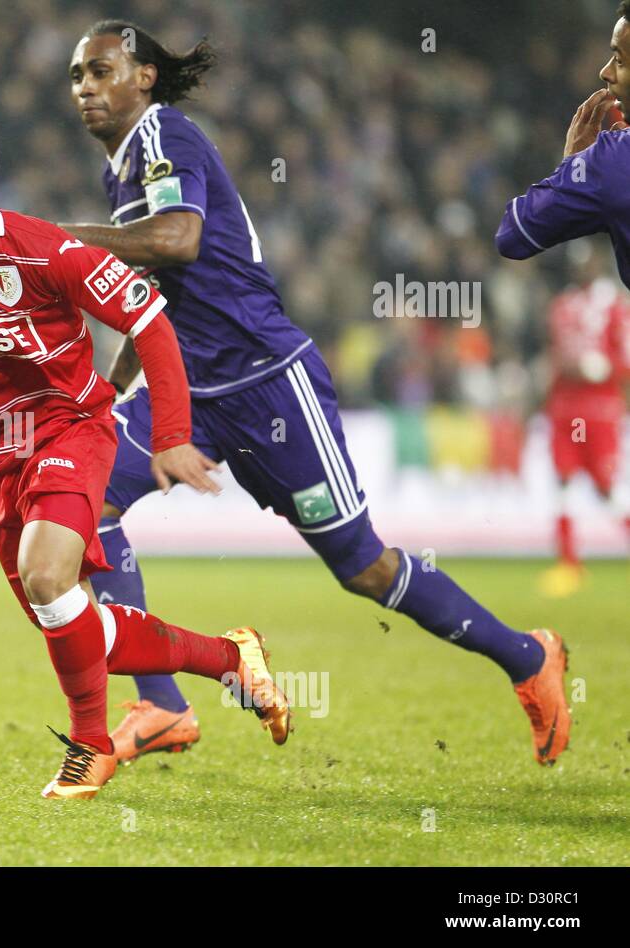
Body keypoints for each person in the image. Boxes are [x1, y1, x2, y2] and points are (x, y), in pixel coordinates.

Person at [59, 20, 570, 767]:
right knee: (85, 506)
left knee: (363, 567)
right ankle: (162, 706)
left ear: (142, 77)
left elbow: (179, 241)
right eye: (75, 76)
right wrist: (106, 396)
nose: (84, 87)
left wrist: (58, 241)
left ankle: (528, 657)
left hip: (269, 382)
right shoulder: (122, 174)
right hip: (192, 391)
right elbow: (153, 297)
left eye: (99, 70)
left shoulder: (165, 134)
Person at [0, 92, 291, 800]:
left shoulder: (41, 247)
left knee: (48, 579)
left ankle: (91, 746)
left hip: (70, 427)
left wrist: (169, 435)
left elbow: (151, 322)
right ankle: (232, 658)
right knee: (76, 623)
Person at [495, 2, 630, 290]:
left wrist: (573, 168)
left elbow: (513, 235)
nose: (606, 72)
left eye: (619, 60)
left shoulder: (613, 158)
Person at [537, 246, 630, 598]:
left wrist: (605, 367)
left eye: (586, 263)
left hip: (600, 408)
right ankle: (568, 563)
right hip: (565, 408)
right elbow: (554, 353)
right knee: (561, 479)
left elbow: (625, 358)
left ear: (598, 263)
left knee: (605, 487)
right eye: (576, 265)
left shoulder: (614, 305)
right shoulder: (561, 305)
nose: (581, 270)